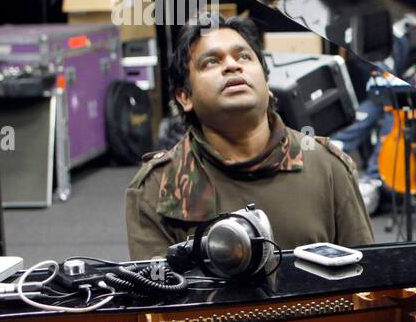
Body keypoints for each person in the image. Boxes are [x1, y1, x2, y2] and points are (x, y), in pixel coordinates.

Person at [125, 14, 374, 259]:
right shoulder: (156, 187)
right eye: (211, 62)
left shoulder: (327, 166)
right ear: (184, 97)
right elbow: (160, 296)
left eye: (243, 56)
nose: (232, 66)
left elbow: (366, 282)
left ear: (266, 82)